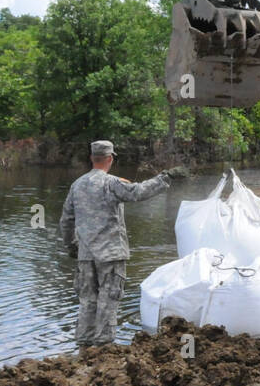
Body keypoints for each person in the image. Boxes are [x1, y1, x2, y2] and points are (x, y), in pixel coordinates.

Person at [59, 141, 187, 351]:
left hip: (85, 255)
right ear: (110, 159)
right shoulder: (111, 183)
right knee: (109, 299)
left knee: (88, 300)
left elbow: (66, 220)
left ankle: (84, 346)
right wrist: (166, 177)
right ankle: (103, 347)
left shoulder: (77, 185)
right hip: (111, 254)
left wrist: (72, 246)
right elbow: (138, 192)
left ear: (92, 158)